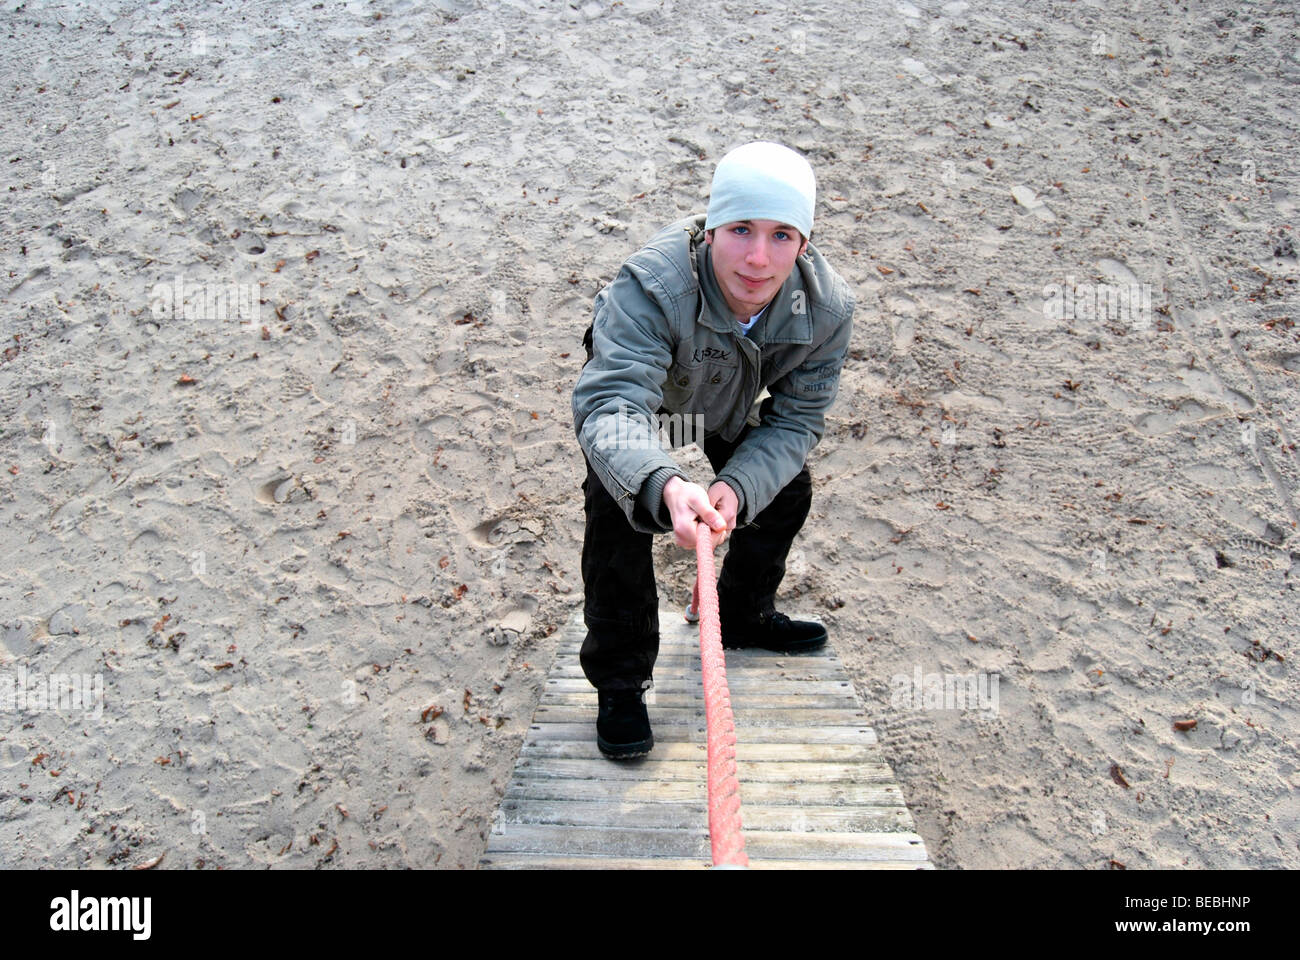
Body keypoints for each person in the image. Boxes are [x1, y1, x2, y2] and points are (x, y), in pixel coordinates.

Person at [571, 141, 856, 759]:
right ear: (708, 231)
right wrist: (666, 485)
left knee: (786, 491)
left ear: (804, 244)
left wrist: (741, 486)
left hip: (730, 402)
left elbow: (799, 418)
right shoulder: (649, 286)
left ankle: (743, 613)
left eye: (783, 235)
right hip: (654, 410)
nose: (758, 257)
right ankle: (621, 678)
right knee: (615, 504)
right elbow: (611, 406)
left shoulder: (827, 309)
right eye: (740, 230)